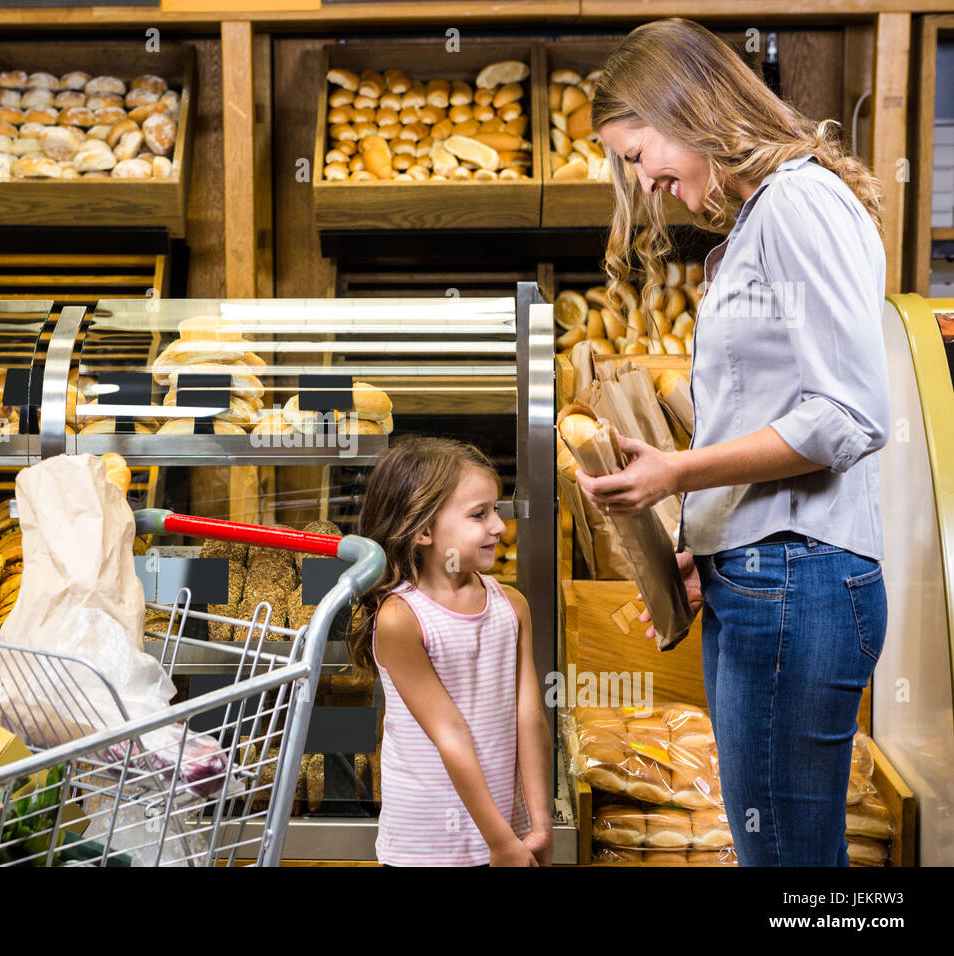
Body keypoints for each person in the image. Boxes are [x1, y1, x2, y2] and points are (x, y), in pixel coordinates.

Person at [576, 18, 890, 866]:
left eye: (640, 154)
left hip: (796, 585)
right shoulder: (764, 216)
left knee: (787, 867)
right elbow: (772, 414)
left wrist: (677, 472)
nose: (644, 184)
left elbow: (848, 415)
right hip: (772, 577)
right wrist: (706, 541)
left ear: (688, 107)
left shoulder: (796, 202)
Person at [349, 435, 552, 866]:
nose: (498, 526)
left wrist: (539, 826)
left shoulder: (512, 606)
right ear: (422, 530)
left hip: (508, 833)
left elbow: (530, 718)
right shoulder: (402, 619)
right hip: (425, 846)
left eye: (496, 509)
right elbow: (450, 734)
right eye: (479, 514)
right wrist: (501, 842)